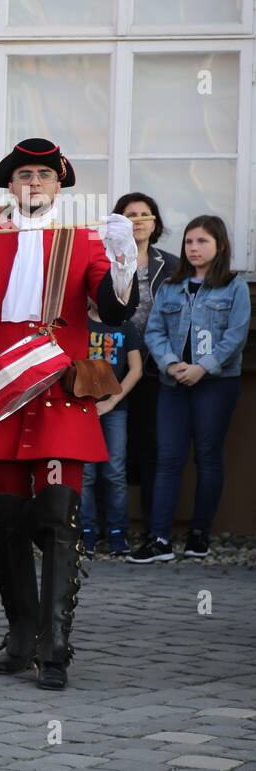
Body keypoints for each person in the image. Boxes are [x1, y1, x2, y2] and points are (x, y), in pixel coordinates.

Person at [0, 138, 138, 690]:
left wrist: (123, 260)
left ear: (57, 186)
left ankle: (56, 640)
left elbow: (114, 311)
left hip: (58, 396)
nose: (33, 183)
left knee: (56, 516)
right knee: (6, 519)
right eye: (24, 174)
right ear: (10, 186)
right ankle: (20, 633)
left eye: (43, 176)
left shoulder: (83, 240)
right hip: (2, 396)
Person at [136, 216, 249, 563]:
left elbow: (236, 334)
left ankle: (199, 534)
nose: (194, 248)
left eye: (202, 241)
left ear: (219, 246)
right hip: (174, 383)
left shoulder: (234, 286)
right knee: (168, 458)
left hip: (216, 384)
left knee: (207, 456)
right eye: (189, 242)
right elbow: (154, 331)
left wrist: (203, 367)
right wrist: (171, 364)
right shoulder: (172, 285)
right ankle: (159, 539)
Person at [115, 193, 179, 530]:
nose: (137, 220)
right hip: (111, 363)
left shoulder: (170, 265)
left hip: (154, 367)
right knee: (111, 449)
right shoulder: (106, 260)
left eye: (144, 214)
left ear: (155, 223)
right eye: (129, 214)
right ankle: (106, 526)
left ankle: (153, 527)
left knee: (151, 446)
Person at [79, 300, 143, 556]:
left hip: (115, 409)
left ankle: (117, 531)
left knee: (115, 471)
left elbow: (136, 370)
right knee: (85, 474)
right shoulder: (79, 323)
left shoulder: (126, 326)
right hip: (83, 408)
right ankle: (87, 531)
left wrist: (112, 401)